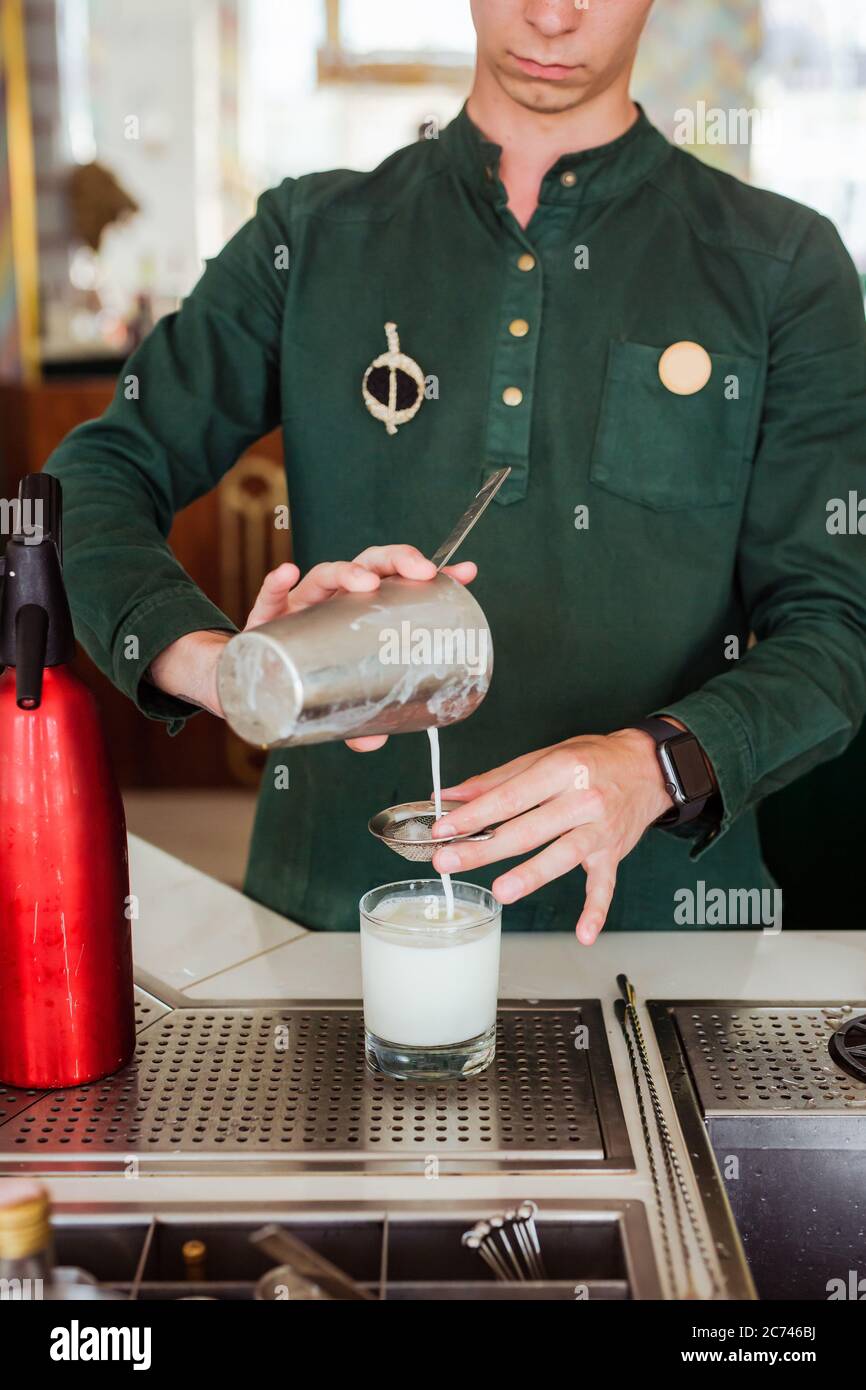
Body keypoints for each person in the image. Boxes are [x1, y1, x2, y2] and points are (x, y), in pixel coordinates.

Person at [45, 0, 866, 940]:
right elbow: (86, 482)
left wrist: (659, 767)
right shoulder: (309, 234)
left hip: (659, 934)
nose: (553, 16)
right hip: (330, 928)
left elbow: (837, 626)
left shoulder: (784, 265)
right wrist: (221, 668)